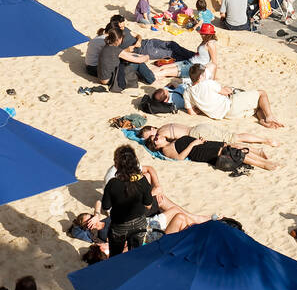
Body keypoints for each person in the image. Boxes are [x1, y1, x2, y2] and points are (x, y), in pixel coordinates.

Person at [139, 124, 277, 172]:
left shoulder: (169, 141)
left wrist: (197, 141)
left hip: (202, 144)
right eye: (155, 139)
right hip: (200, 151)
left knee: (234, 147)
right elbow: (180, 158)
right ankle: (264, 165)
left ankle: (261, 158)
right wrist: (193, 144)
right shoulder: (166, 150)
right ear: (156, 146)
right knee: (233, 153)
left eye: (155, 136)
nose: (157, 137)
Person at [182, 63, 282, 128]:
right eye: (204, 74)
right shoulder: (208, 83)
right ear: (200, 76)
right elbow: (226, 92)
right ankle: (269, 117)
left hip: (227, 116)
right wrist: (228, 88)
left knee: (258, 106)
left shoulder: (187, 92)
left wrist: (204, 108)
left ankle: (262, 121)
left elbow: (191, 112)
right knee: (262, 93)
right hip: (231, 105)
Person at [97, 145, 154, 256]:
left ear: (117, 164)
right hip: (139, 223)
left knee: (115, 256)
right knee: (135, 254)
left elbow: (106, 207)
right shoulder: (142, 181)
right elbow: (148, 205)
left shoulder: (112, 184)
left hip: (120, 225)